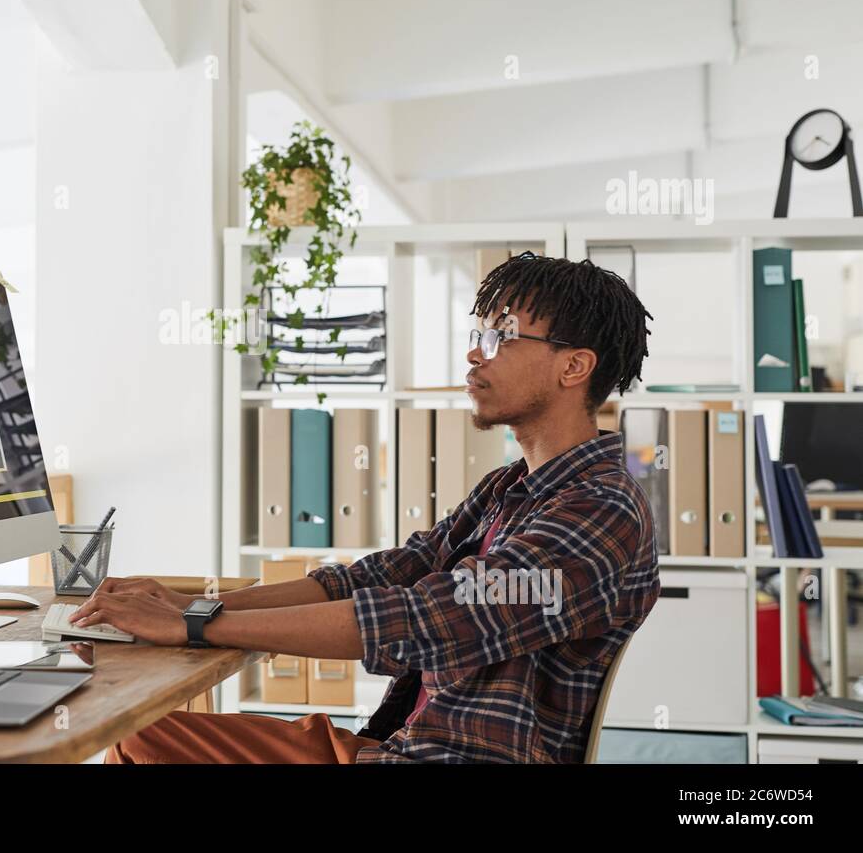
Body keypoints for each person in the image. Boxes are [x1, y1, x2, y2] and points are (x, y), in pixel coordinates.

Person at [71, 252, 661, 763]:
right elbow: (380, 577)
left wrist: (197, 625)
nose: (476, 357)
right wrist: (200, 606)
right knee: (142, 734)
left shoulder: (602, 508)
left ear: (573, 366)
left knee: (140, 742)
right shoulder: (509, 488)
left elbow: (429, 619)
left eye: (500, 337)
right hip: (401, 744)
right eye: (478, 336)